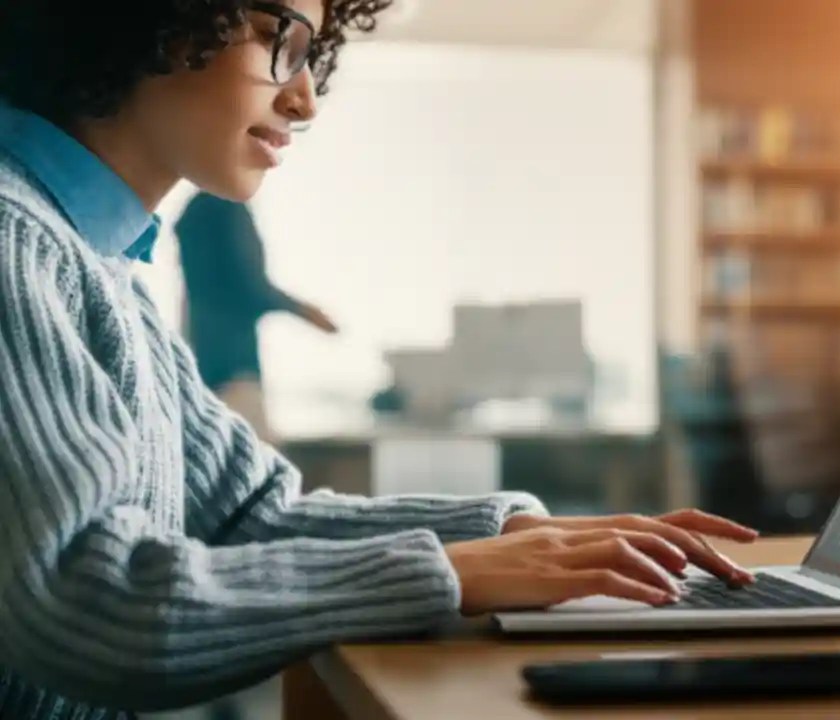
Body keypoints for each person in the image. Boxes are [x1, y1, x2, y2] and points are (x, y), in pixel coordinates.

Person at [0, 2, 760, 719]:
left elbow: (249, 516)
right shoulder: (17, 242)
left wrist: (524, 533)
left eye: (313, 59)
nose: (304, 100)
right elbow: (87, 600)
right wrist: (449, 574)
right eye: (281, 41)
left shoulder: (93, 263)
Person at [176, 191, 339, 440]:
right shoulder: (225, 206)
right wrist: (306, 312)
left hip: (203, 356)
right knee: (254, 463)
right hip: (234, 365)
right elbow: (250, 286)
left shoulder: (194, 210)